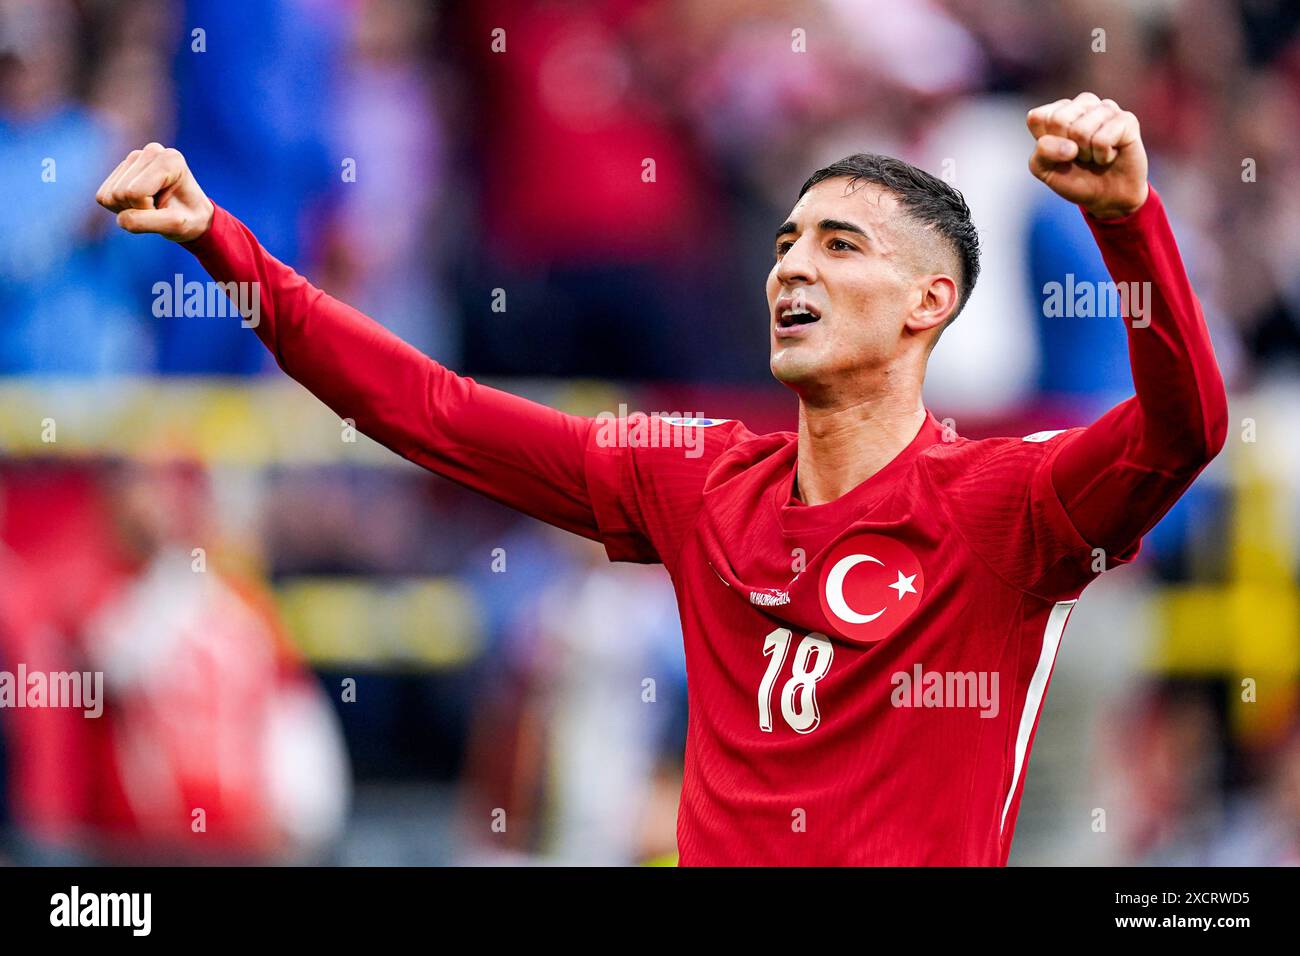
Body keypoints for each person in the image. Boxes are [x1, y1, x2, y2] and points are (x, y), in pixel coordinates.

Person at [95, 91, 1227, 865]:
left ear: (929, 301)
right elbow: (428, 409)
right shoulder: (693, 478)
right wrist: (221, 244)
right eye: (786, 240)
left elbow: (1183, 431)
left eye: (840, 244)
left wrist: (1128, 226)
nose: (792, 263)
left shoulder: (1006, 506)